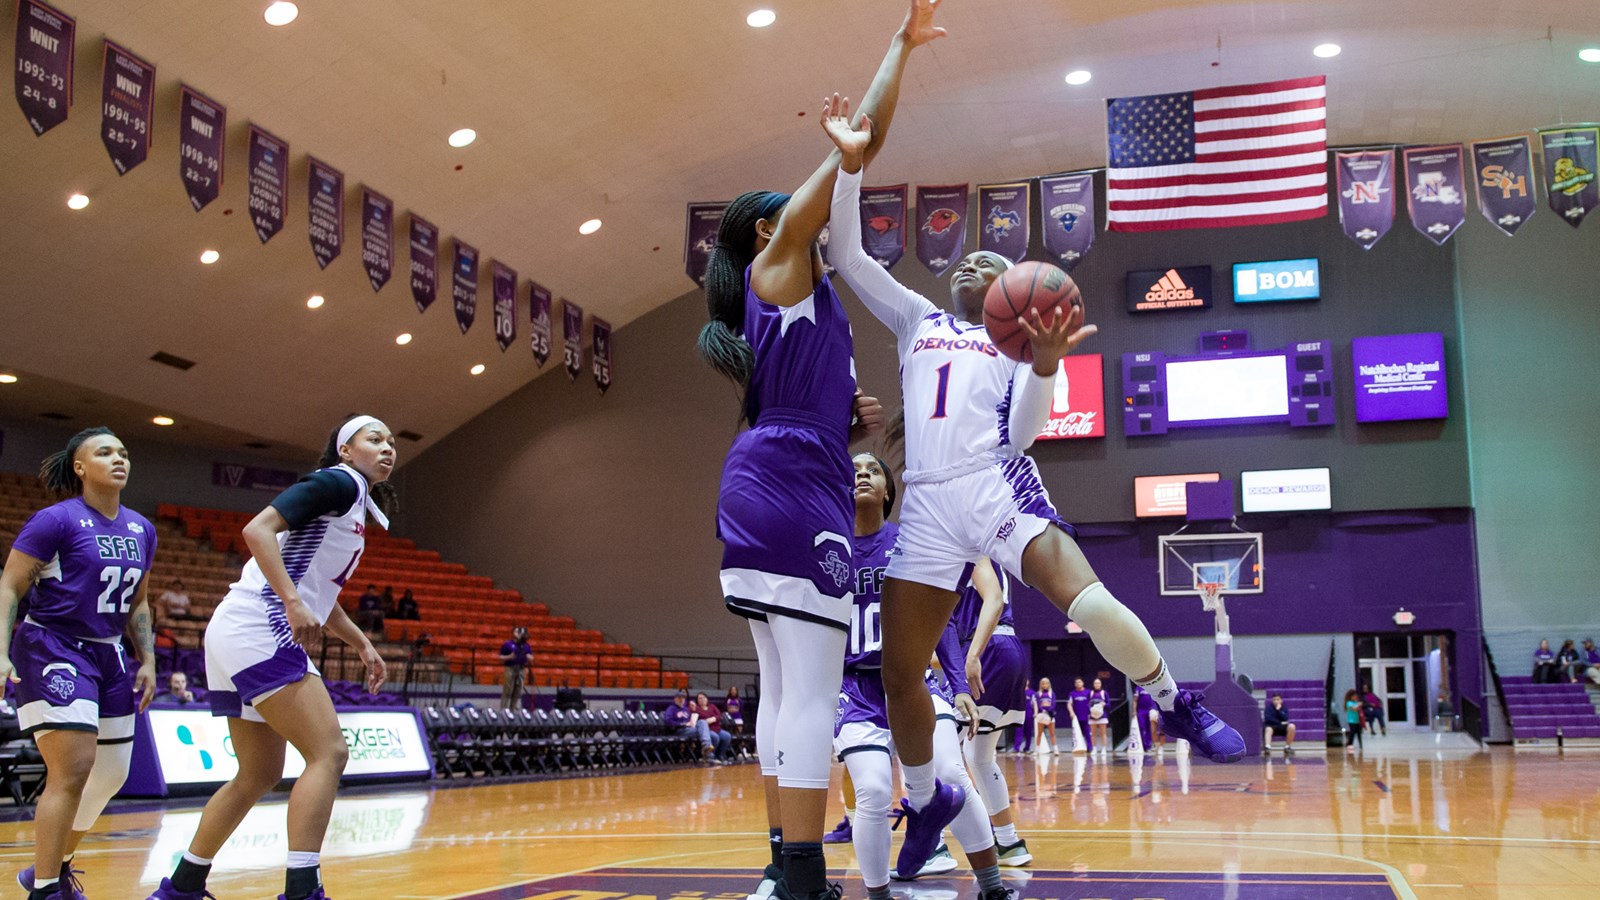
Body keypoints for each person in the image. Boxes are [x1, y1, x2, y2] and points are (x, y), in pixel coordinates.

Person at [825, 93, 1245, 867]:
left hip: (994, 481)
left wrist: (1046, 366)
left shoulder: (1014, 355)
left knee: (1089, 600)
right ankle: (928, 804)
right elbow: (848, 257)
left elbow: (1020, 435)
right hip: (925, 497)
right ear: (958, 284)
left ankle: (1173, 701)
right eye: (975, 262)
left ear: (1012, 302)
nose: (985, 266)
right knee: (897, 672)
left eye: (1000, 265)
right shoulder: (918, 320)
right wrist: (851, 167)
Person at [699, 4, 942, 899]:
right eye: (794, 214)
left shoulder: (801, 307)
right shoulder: (779, 265)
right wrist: (896, 50)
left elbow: (785, 407)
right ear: (772, 233)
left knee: (780, 690)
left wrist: (840, 421)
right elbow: (861, 145)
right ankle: (804, 879)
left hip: (781, 475)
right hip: (792, 490)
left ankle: (779, 870)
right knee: (810, 692)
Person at [146, 415, 395, 900]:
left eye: (391, 442)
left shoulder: (353, 502)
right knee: (329, 753)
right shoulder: (339, 482)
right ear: (345, 451)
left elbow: (318, 591)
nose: (387, 448)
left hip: (235, 629)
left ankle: (182, 887)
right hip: (260, 624)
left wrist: (361, 643)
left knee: (259, 773)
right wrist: (290, 601)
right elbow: (257, 529)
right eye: (374, 439)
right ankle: (302, 891)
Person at [0, 427, 158, 900]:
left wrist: (147, 657)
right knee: (72, 769)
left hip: (109, 650)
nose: (119, 459)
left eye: (124, 453)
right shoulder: (56, 520)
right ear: (80, 467)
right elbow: (9, 587)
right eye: (104, 452)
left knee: (112, 774)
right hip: (54, 645)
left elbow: (140, 602)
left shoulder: (142, 529)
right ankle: (46, 890)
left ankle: (52, 867)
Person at [833, 452, 1001, 895]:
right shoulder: (827, 551)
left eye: (872, 470)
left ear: (889, 490)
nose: (862, 474)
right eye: (853, 470)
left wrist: (960, 685)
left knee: (952, 771)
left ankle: (993, 884)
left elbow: (939, 619)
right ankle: (878, 893)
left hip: (911, 679)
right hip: (855, 688)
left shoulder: (907, 543)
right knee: (870, 791)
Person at [953, 556, 1033, 865]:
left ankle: (938, 847)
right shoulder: (989, 551)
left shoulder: (970, 547)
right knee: (979, 756)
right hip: (1009, 647)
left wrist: (972, 655)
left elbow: (993, 601)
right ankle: (1009, 843)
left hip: (986, 648)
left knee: (936, 754)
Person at [664, 690, 716, 763]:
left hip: (690, 729)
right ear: (675, 699)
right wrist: (683, 724)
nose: (681, 700)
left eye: (683, 698)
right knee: (710, 734)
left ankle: (707, 747)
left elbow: (693, 718)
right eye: (679, 698)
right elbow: (668, 722)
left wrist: (693, 718)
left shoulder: (686, 709)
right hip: (679, 730)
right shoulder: (671, 709)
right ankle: (708, 753)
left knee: (703, 722)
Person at [499, 627, 533, 710]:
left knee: (517, 691)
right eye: (517, 631)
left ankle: (513, 709)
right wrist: (509, 657)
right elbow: (500, 657)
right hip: (510, 668)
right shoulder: (507, 644)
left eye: (519, 632)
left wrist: (529, 657)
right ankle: (504, 709)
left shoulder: (526, 645)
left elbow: (531, 657)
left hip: (521, 669)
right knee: (508, 691)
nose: (519, 633)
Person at [695, 692, 734, 762]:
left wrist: (713, 719)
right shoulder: (696, 709)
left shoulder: (712, 706)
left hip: (717, 728)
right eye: (700, 698)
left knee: (727, 736)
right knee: (715, 737)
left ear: (707, 699)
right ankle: (711, 755)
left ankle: (721, 754)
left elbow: (719, 715)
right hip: (707, 730)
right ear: (697, 701)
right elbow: (698, 720)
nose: (702, 700)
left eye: (703, 698)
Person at [1136, 684, 1164, 754]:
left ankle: (1159, 747)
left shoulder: (1156, 687)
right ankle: (1148, 745)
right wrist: (1134, 711)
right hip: (1142, 710)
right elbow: (1135, 700)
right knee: (1148, 728)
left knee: (1161, 730)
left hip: (1155, 709)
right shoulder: (1138, 688)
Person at [1087, 677, 1111, 757]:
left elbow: (1108, 704)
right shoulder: (1090, 693)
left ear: (1101, 684)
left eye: (1098, 683)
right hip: (1092, 716)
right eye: (1095, 683)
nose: (1097, 685)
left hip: (1102, 716)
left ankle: (1104, 749)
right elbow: (1087, 704)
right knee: (1093, 734)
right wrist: (1090, 710)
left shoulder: (1104, 693)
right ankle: (1094, 748)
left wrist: (1104, 704)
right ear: (1093, 685)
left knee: (1103, 733)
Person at [1068, 677, 1092, 754]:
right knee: (1077, 733)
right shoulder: (1072, 693)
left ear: (1083, 683)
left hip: (1086, 716)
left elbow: (1091, 703)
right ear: (1075, 684)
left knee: (1087, 733)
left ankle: (1089, 748)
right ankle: (1078, 747)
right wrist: (1071, 712)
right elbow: (1069, 704)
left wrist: (1091, 713)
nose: (1078, 683)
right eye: (1077, 682)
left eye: (1080, 682)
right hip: (1076, 717)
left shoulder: (1088, 692)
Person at [1034, 678, 1058, 754]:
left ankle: (1055, 750)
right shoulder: (1038, 694)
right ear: (1041, 684)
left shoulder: (1052, 693)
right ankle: (1037, 750)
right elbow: (1038, 704)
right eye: (1043, 683)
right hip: (1041, 715)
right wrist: (1043, 710)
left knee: (1052, 733)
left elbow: (1053, 704)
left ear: (1049, 684)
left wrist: (1048, 711)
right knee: (1039, 733)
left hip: (1050, 715)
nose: (1045, 685)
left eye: (1046, 683)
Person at [1012, 682, 1035, 754]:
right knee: (1018, 731)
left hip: (1029, 714)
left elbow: (1035, 704)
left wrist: (1036, 713)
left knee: (1028, 732)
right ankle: (1016, 748)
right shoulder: (1017, 691)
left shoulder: (1032, 693)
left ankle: (1027, 748)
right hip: (1019, 714)